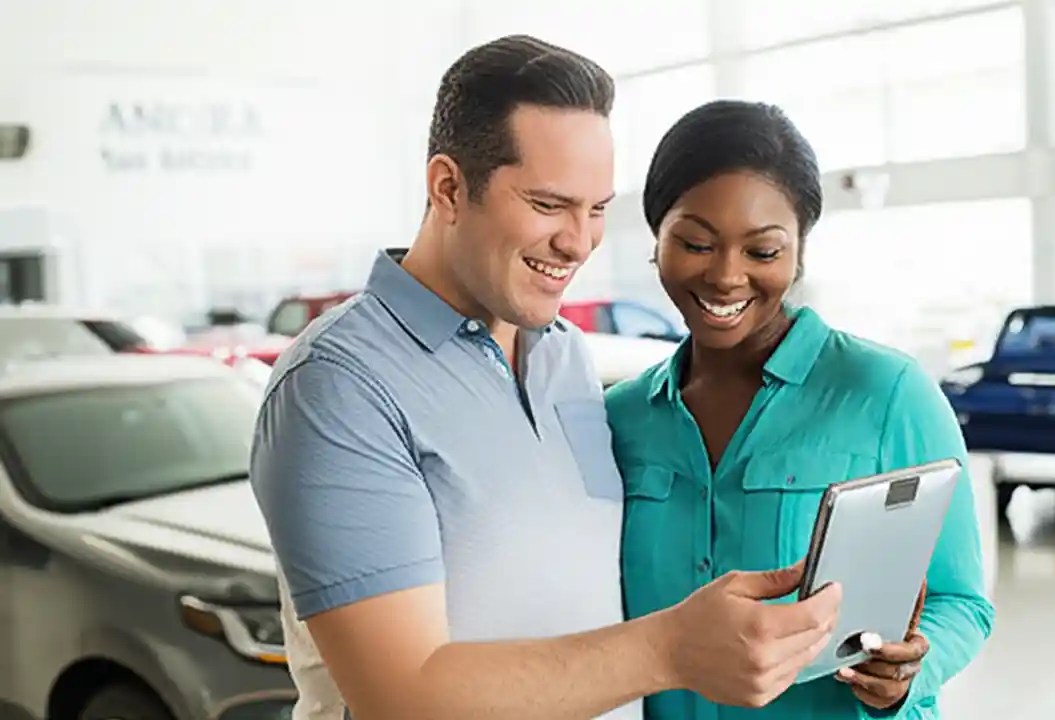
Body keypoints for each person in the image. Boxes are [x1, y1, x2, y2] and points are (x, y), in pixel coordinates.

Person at [249, 36, 844, 720]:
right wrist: (674, 648)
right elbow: (403, 696)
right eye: (549, 204)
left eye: (597, 209)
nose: (579, 241)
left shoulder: (565, 356)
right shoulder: (339, 385)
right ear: (448, 188)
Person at [605, 100, 995, 718]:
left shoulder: (888, 393)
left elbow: (961, 601)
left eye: (762, 252)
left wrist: (909, 669)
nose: (726, 277)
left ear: (799, 253)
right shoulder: (620, 417)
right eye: (697, 243)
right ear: (658, 239)